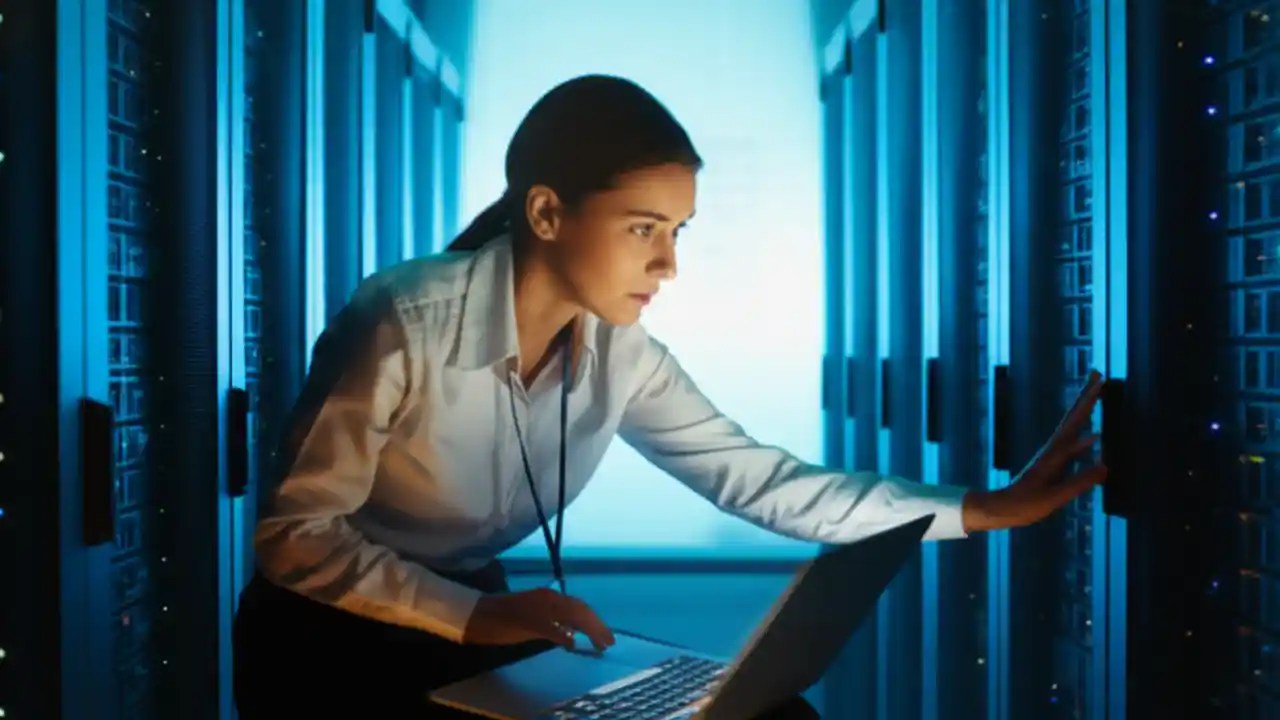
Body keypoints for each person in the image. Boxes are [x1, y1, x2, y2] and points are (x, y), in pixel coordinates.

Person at [231, 74, 1107, 718]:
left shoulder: (623, 353)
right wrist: (471, 616)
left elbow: (762, 482)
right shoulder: (403, 318)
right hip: (327, 640)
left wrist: (988, 509)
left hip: (475, 613)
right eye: (643, 229)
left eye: (677, 231)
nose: (668, 264)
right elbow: (293, 534)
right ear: (545, 214)